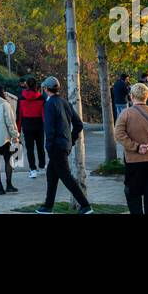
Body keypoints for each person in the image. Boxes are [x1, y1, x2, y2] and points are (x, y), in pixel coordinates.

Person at [37, 75, 93, 214]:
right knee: (52, 174)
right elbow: (78, 124)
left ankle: (85, 206)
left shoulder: (49, 104)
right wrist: (71, 140)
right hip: (64, 145)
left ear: (45, 89)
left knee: (66, 177)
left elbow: (49, 129)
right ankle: (48, 206)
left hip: (56, 146)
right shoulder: (64, 102)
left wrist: (49, 146)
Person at [113, 82, 148, 214]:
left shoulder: (126, 114)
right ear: (147, 97)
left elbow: (118, 134)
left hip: (135, 161)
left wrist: (136, 147)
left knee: (133, 195)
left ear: (131, 96)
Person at [18, 76, 46, 179]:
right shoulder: (42, 98)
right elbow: (44, 114)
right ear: (36, 85)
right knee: (40, 147)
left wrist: (18, 130)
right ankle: (42, 167)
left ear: (27, 85)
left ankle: (33, 170)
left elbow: (19, 115)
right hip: (39, 125)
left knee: (29, 149)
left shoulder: (21, 98)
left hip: (27, 126)